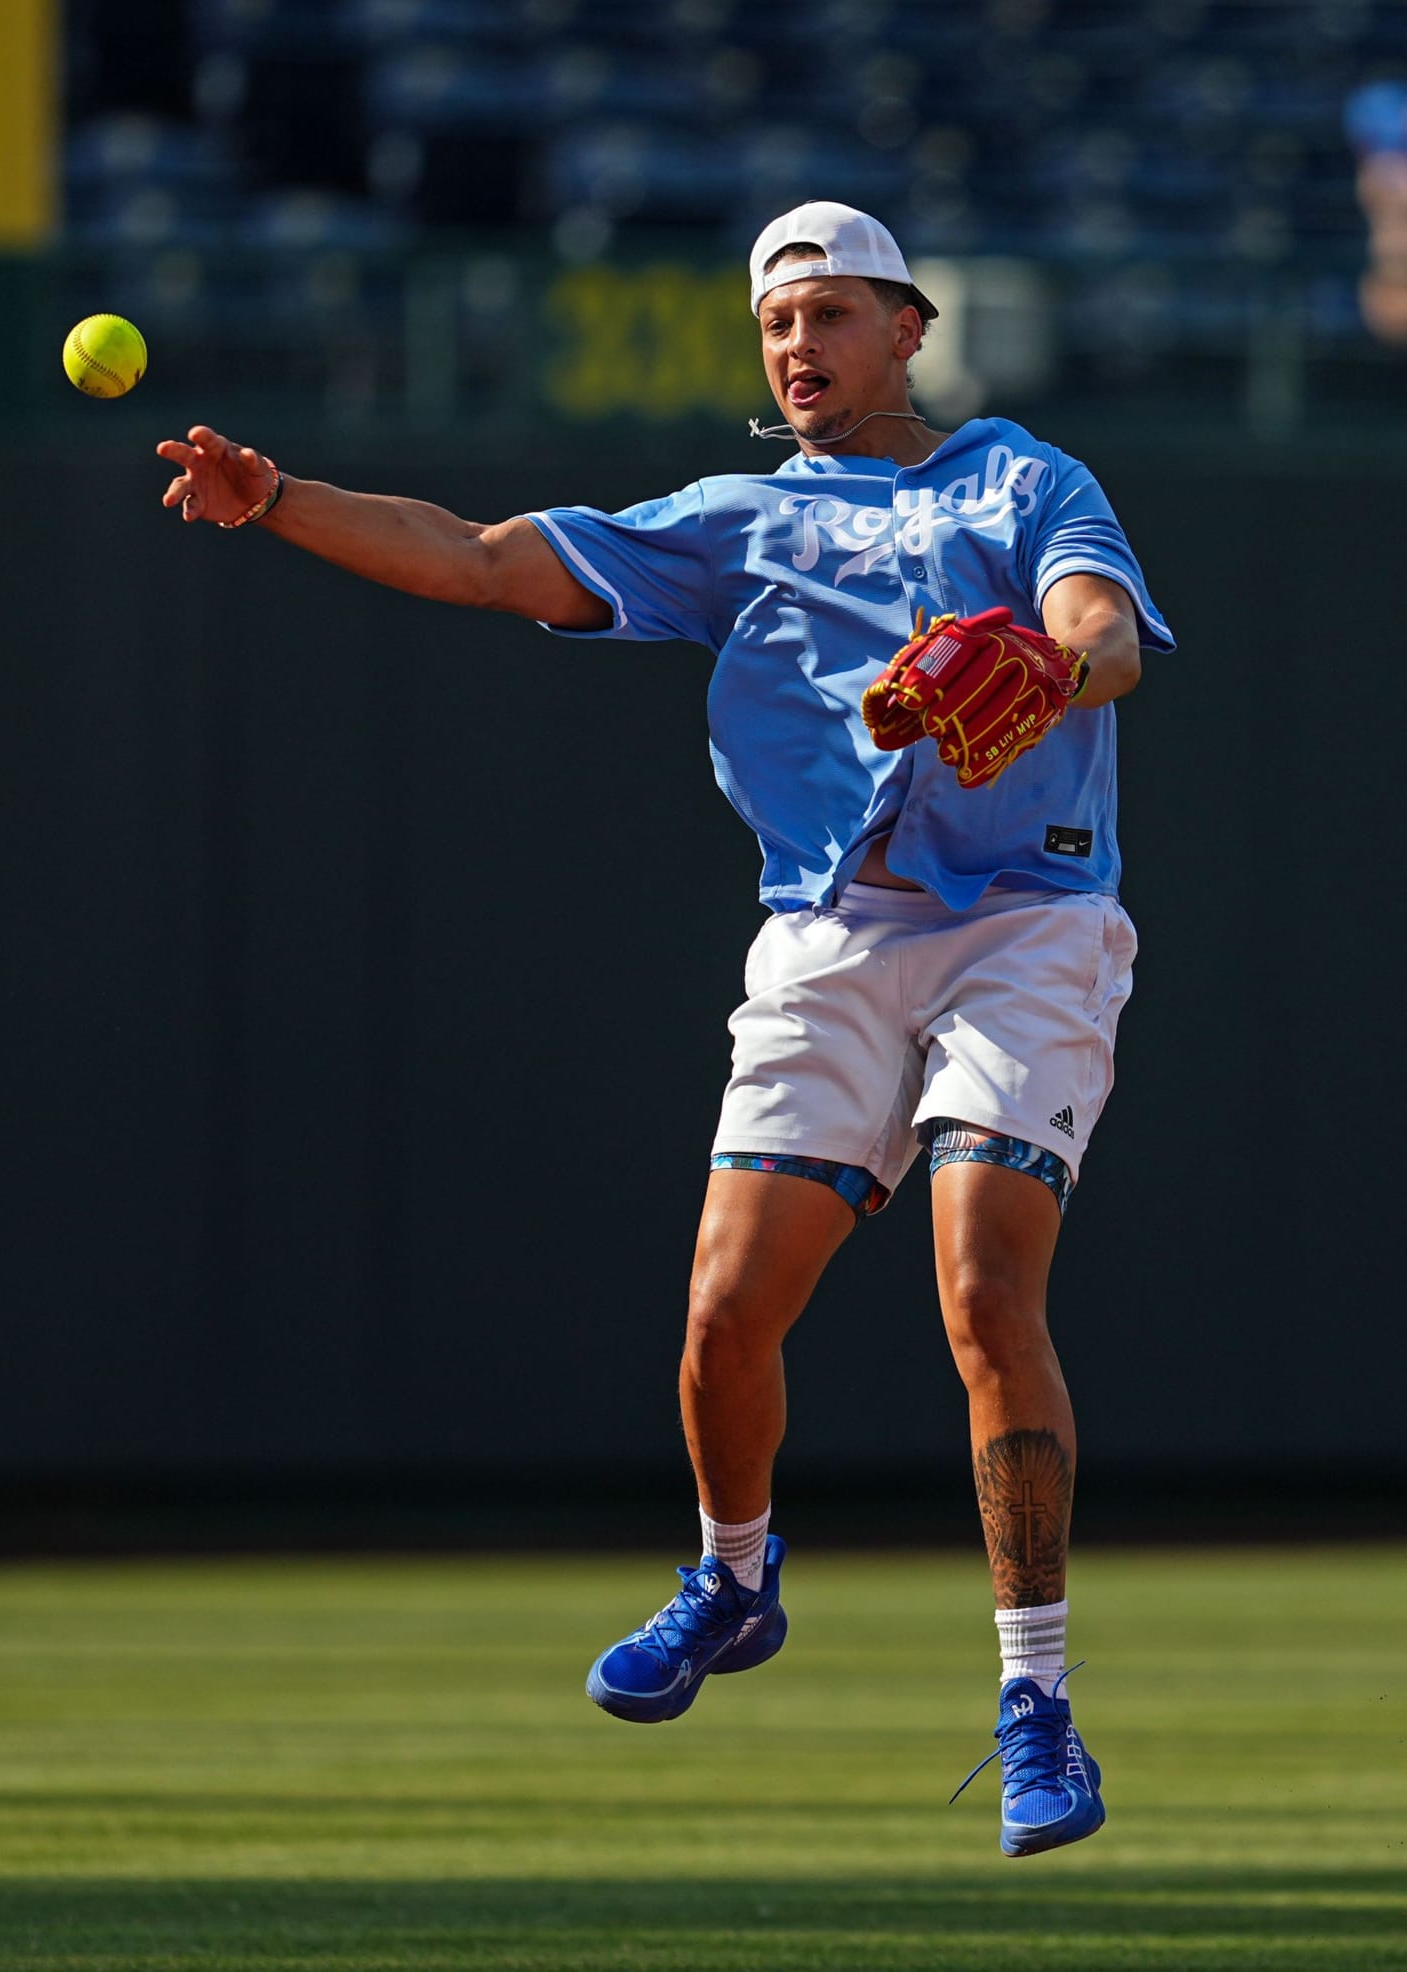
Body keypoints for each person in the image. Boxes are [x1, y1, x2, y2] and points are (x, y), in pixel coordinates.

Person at [157, 200, 1173, 1858]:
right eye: (778, 323)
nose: (798, 347)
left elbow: (1104, 633)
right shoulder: (734, 518)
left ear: (908, 327)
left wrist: (1052, 674)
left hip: (1027, 925)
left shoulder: (1022, 478)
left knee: (986, 1285)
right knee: (721, 1316)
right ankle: (733, 1575)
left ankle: (1037, 1702)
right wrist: (277, 501)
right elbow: (483, 559)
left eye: (832, 315)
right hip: (832, 934)